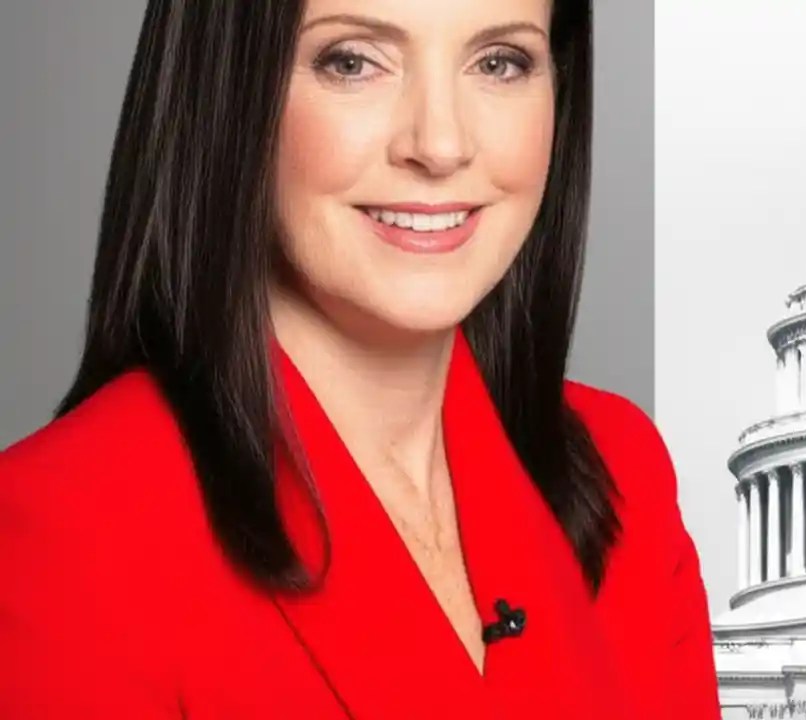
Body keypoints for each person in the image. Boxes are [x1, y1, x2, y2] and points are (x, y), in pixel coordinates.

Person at [0, 0, 721, 717]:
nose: (440, 145)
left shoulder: (623, 472)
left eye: (500, 62)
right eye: (352, 61)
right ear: (230, 91)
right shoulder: (60, 538)